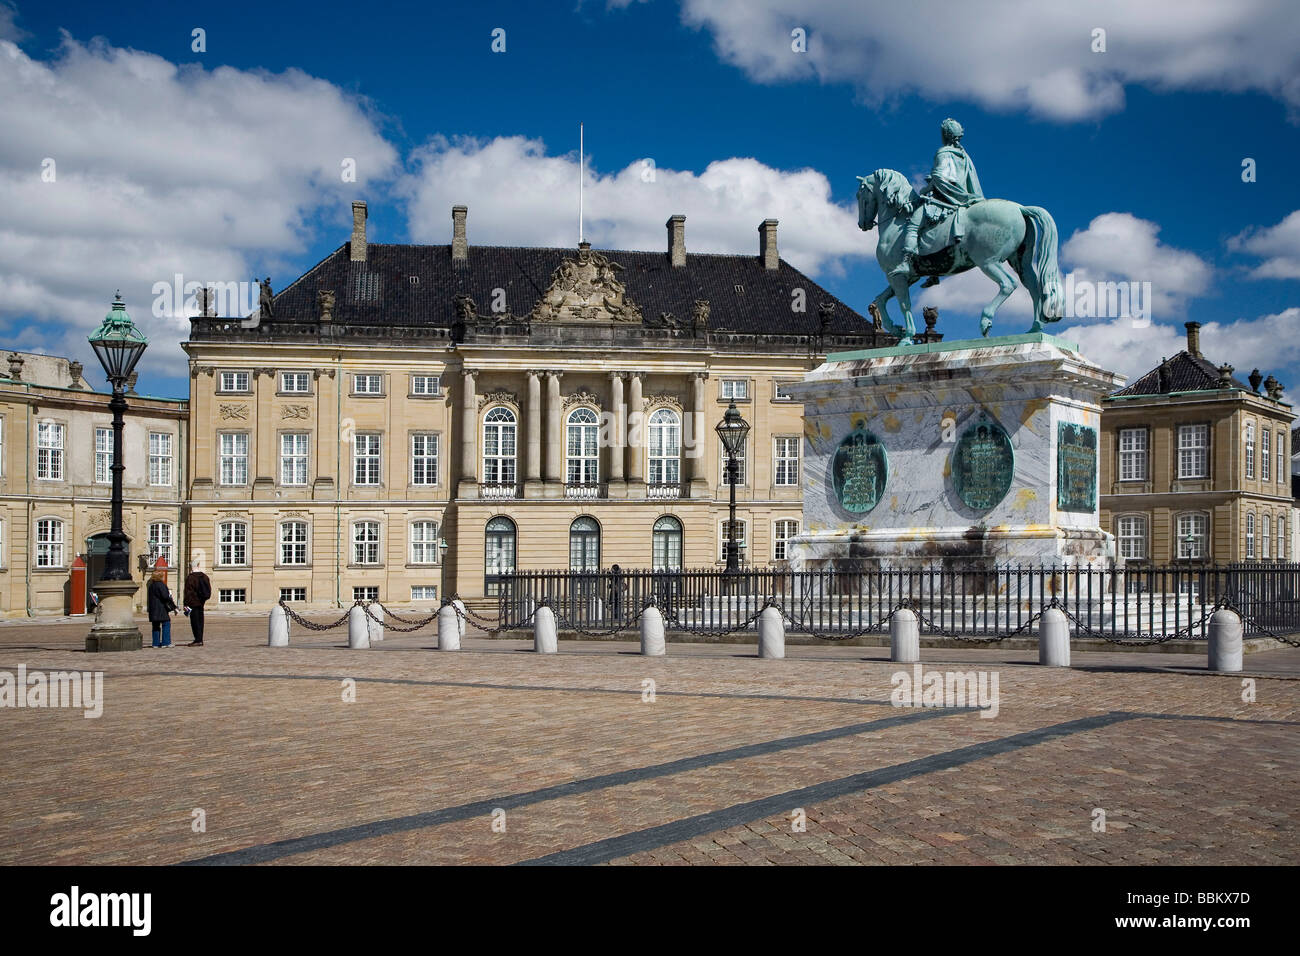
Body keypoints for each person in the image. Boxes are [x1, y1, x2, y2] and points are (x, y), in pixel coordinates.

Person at [891, 118, 985, 281]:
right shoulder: (964, 156)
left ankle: (906, 263)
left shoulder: (944, 152)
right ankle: (933, 273)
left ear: (945, 135)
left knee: (913, 226)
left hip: (944, 199)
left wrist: (926, 188)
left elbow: (940, 177)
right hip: (964, 198)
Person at [146, 569, 178, 648]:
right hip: (161, 608)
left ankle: (155, 643)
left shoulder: (151, 586)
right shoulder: (161, 585)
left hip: (153, 609)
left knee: (156, 626)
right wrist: (173, 606)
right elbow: (165, 597)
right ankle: (166, 642)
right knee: (166, 624)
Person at [183, 562, 212, 646]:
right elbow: (208, 589)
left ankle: (198, 639)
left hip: (193, 602)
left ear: (190, 567)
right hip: (201, 602)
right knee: (200, 620)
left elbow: (188, 592)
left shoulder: (190, 578)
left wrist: (185, 604)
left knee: (194, 621)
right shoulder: (205, 576)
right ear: (198, 566)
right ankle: (200, 638)